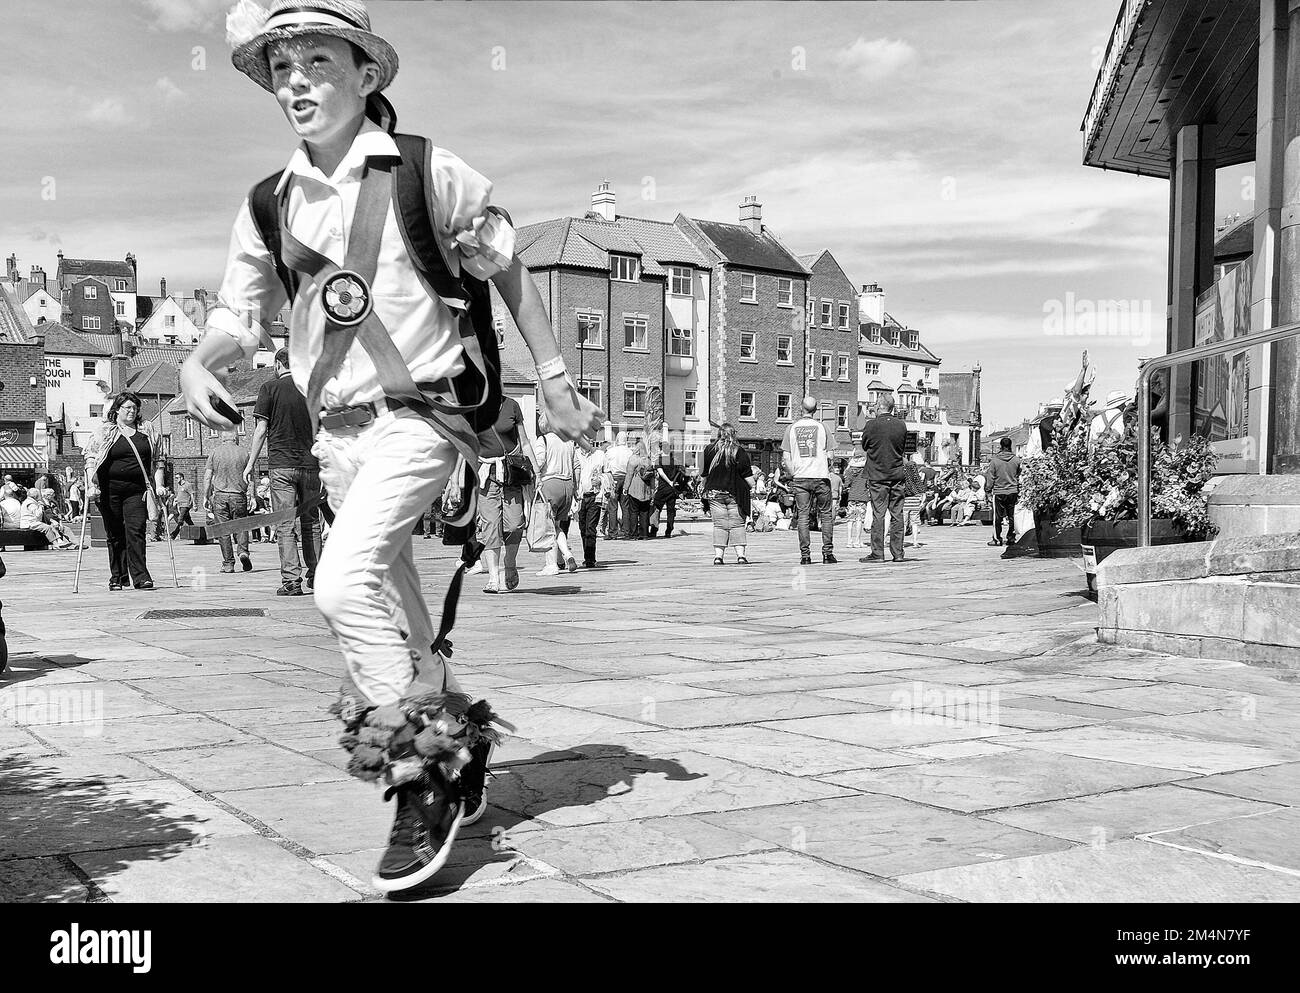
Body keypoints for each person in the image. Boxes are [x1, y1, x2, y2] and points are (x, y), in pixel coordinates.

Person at [180, 0, 600, 894]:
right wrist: (196, 362)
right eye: (283, 67)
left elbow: (509, 265)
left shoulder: (422, 170)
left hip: (419, 420)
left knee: (340, 582)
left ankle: (424, 777)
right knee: (405, 621)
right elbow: (234, 314)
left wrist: (555, 375)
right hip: (336, 440)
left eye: (318, 62)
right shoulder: (269, 202)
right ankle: (467, 739)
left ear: (367, 75)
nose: (297, 81)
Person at [246, 346, 323, 596]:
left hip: (281, 465)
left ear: (278, 365)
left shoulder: (270, 388)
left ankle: (292, 581)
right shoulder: (312, 390)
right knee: (311, 523)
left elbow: (260, 430)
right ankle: (318, 576)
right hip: (311, 465)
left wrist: (250, 465)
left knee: (285, 524)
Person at [84, 391, 164, 590]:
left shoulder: (147, 430)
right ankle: (118, 576)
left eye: (134, 408)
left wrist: (160, 485)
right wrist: (91, 484)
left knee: (136, 530)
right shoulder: (105, 431)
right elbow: (91, 458)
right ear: (117, 410)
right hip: (109, 489)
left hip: (137, 490)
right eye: (127, 407)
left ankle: (141, 576)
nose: (131, 411)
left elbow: (158, 460)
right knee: (115, 532)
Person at [471, 394, 530, 593]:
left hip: (511, 472)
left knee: (514, 524)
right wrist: (455, 479)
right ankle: (493, 578)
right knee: (490, 525)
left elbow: (525, 441)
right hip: (486, 474)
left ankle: (510, 562)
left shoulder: (511, 406)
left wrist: (536, 472)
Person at [783, 396, 836, 565]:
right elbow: (830, 455)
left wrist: (793, 474)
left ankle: (805, 555)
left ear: (801, 408)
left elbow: (786, 457)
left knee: (803, 516)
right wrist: (825, 465)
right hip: (820, 475)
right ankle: (827, 554)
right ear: (815, 410)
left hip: (800, 477)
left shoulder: (791, 428)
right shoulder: (823, 427)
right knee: (826, 515)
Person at [860, 394, 906, 562]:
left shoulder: (871, 425)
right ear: (892, 407)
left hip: (877, 475)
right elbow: (902, 449)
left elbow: (865, 445)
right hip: (896, 474)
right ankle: (898, 553)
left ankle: (878, 553)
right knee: (897, 514)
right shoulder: (901, 425)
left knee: (879, 514)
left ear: (878, 406)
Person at [701, 423, 755, 564]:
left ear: (719, 434)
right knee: (737, 524)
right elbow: (748, 478)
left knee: (719, 525)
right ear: (733, 434)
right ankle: (740, 556)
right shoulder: (739, 451)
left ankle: (718, 557)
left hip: (714, 493)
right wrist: (754, 485)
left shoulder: (709, 450)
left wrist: (703, 490)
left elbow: (704, 475)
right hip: (735, 493)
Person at [533, 409, 579, 575]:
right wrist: (575, 489)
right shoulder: (568, 441)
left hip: (550, 483)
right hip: (567, 485)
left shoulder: (543, 440)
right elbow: (576, 466)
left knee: (548, 528)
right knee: (558, 526)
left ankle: (551, 564)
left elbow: (538, 463)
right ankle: (567, 554)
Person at [204, 428, 254, 575]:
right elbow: (250, 477)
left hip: (220, 495)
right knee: (241, 525)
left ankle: (228, 564)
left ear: (222, 438)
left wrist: (206, 496)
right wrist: (250, 495)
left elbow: (207, 476)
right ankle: (243, 552)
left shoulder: (215, 452)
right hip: (239, 495)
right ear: (236, 438)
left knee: (223, 530)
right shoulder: (244, 453)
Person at [574, 433, 609, 567]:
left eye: (589, 440)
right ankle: (586, 555)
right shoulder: (575, 454)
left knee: (590, 528)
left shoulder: (600, 455)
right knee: (582, 528)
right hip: (579, 497)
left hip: (595, 496)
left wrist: (601, 479)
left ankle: (590, 559)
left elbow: (609, 473)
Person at [984, 436, 1022, 547]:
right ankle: (1011, 538)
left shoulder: (995, 461)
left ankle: (997, 539)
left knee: (997, 517)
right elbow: (1019, 474)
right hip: (1012, 490)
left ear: (1001, 446)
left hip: (999, 491)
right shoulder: (1016, 460)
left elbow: (990, 477)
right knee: (1012, 516)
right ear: (1010, 446)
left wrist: (988, 490)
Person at [623, 439, 655, 540]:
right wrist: (653, 490)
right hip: (646, 489)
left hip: (634, 488)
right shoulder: (648, 460)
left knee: (633, 512)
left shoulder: (633, 460)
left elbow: (629, 475)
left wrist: (625, 488)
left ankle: (633, 534)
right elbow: (653, 477)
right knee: (644, 512)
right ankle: (644, 534)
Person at [605, 431, 633, 539]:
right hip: (626, 479)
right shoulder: (630, 452)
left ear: (617, 439)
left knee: (612, 507)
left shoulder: (610, 451)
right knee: (625, 507)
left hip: (614, 478)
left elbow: (606, 467)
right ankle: (626, 531)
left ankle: (612, 532)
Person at [651, 452, 686, 538]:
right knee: (671, 511)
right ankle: (668, 531)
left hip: (662, 489)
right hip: (673, 490)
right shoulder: (675, 461)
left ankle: (654, 530)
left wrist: (669, 482)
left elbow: (661, 473)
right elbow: (683, 475)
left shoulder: (659, 461)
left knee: (656, 509)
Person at [841, 453, 870, 548]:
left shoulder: (850, 472)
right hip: (862, 497)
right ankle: (858, 541)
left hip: (852, 497)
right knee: (859, 520)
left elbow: (846, 485)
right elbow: (868, 484)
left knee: (850, 520)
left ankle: (849, 541)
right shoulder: (865, 472)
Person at [169, 473, 196, 538]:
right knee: (188, 520)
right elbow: (179, 494)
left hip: (186, 505)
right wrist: (176, 499)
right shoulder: (179, 485)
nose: (176, 479)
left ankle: (174, 535)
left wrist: (194, 504)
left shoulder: (187, 485)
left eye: (177, 478)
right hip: (180, 505)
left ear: (181, 478)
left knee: (180, 519)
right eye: (176, 478)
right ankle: (196, 532)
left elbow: (192, 494)